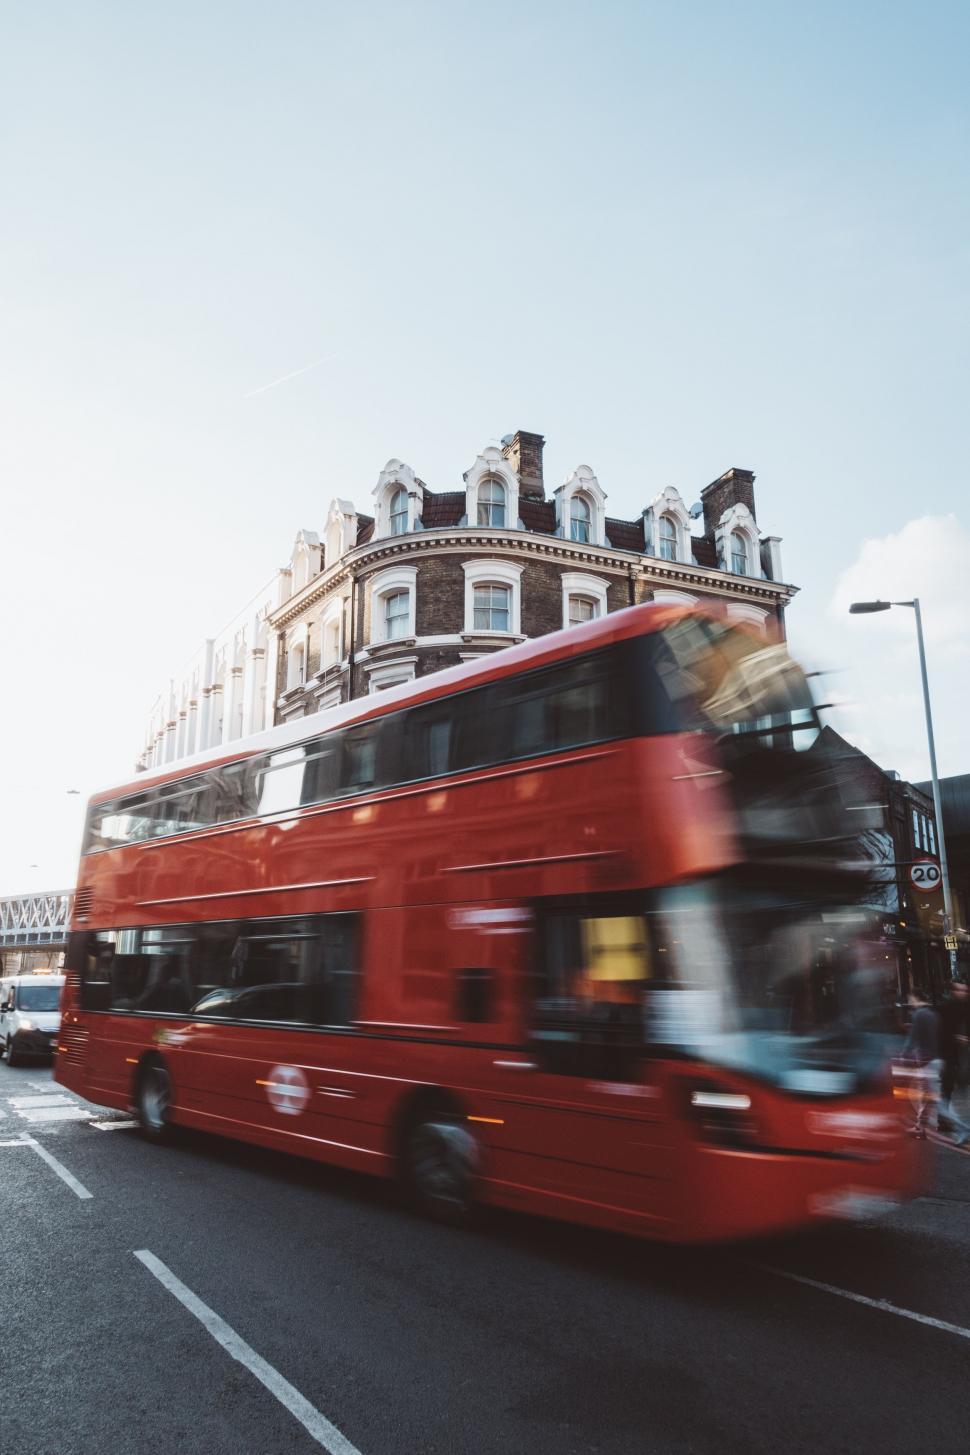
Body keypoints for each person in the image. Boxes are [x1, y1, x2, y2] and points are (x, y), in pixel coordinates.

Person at [901, 989, 941, 1139]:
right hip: (934, 1059)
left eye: (911, 999)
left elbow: (913, 1037)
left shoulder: (919, 1014)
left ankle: (922, 1126)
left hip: (925, 1060)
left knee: (927, 1095)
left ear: (916, 998)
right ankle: (921, 1126)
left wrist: (904, 1054)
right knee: (925, 1095)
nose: (910, 1002)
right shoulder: (933, 1014)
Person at [937, 979, 970, 1146]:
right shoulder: (946, 1008)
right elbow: (941, 1035)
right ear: (952, 992)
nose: (963, 993)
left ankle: (961, 1127)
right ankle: (945, 1122)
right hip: (951, 1057)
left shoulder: (966, 1008)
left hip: (964, 1058)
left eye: (965, 991)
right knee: (947, 1091)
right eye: (959, 990)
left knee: (963, 1092)